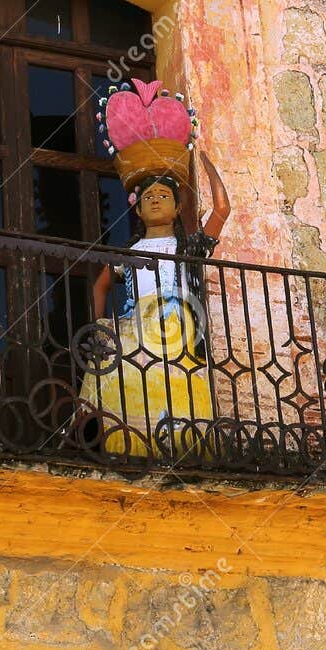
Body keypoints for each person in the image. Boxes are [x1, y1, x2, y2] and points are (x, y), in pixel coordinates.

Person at [80, 153, 230, 457]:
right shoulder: (129, 253)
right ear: (138, 208)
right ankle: (132, 442)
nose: (156, 200)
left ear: (177, 208)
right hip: (139, 326)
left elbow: (222, 210)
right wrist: (96, 325)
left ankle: (182, 446)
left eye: (164, 195)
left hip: (178, 325)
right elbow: (101, 285)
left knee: (180, 386)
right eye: (148, 196)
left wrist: (206, 165)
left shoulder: (187, 247)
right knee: (132, 378)